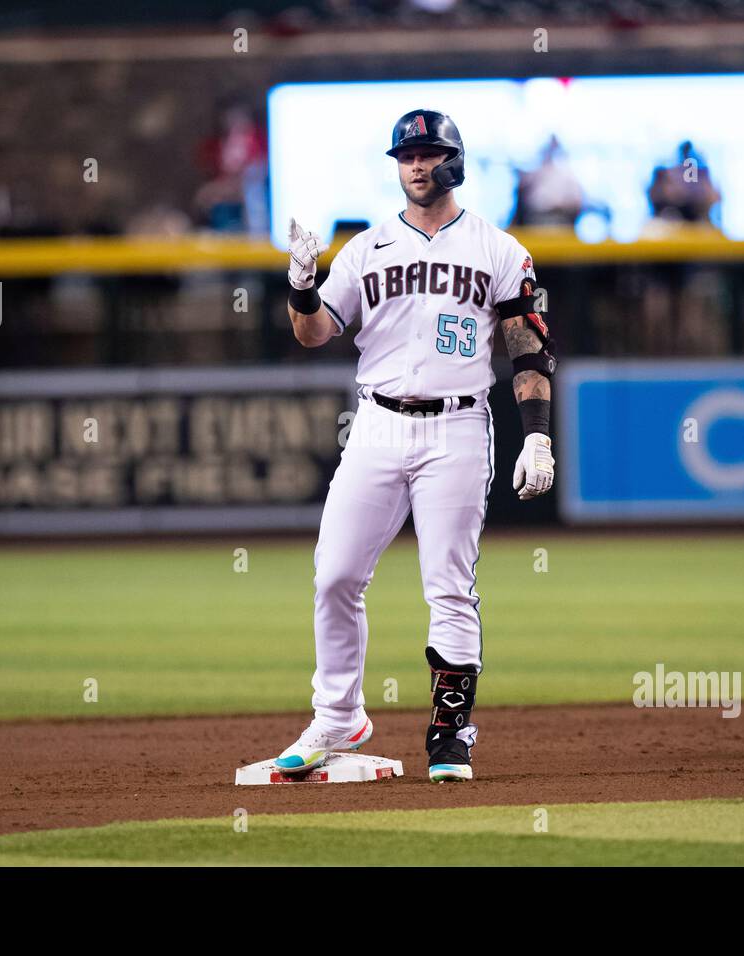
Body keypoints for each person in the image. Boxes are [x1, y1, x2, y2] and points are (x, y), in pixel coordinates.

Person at [276, 110, 557, 782]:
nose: (418, 165)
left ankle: (451, 734)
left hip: (458, 424)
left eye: (430, 153)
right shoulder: (367, 248)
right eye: (406, 156)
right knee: (336, 574)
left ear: (455, 161)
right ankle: (339, 715)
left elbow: (529, 348)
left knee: (449, 588)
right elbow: (313, 334)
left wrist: (538, 438)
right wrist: (300, 285)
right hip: (376, 423)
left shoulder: (498, 249)